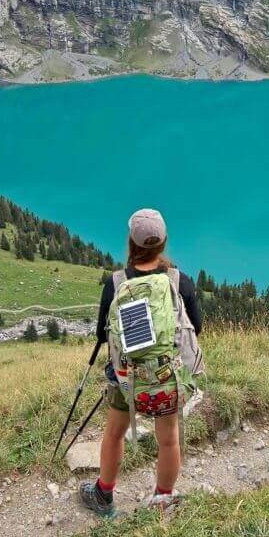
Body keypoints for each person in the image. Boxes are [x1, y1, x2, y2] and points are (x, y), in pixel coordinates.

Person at [79, 208, 204, 517]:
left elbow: (101, 333)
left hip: (126, 376)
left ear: (131, 242)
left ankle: (103, 495)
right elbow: (196, 327)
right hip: (166, 375)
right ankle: (163, 499)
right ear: (163, 242)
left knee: (114, 433)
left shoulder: (117, 282)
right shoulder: (179, 281)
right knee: (168, 439)